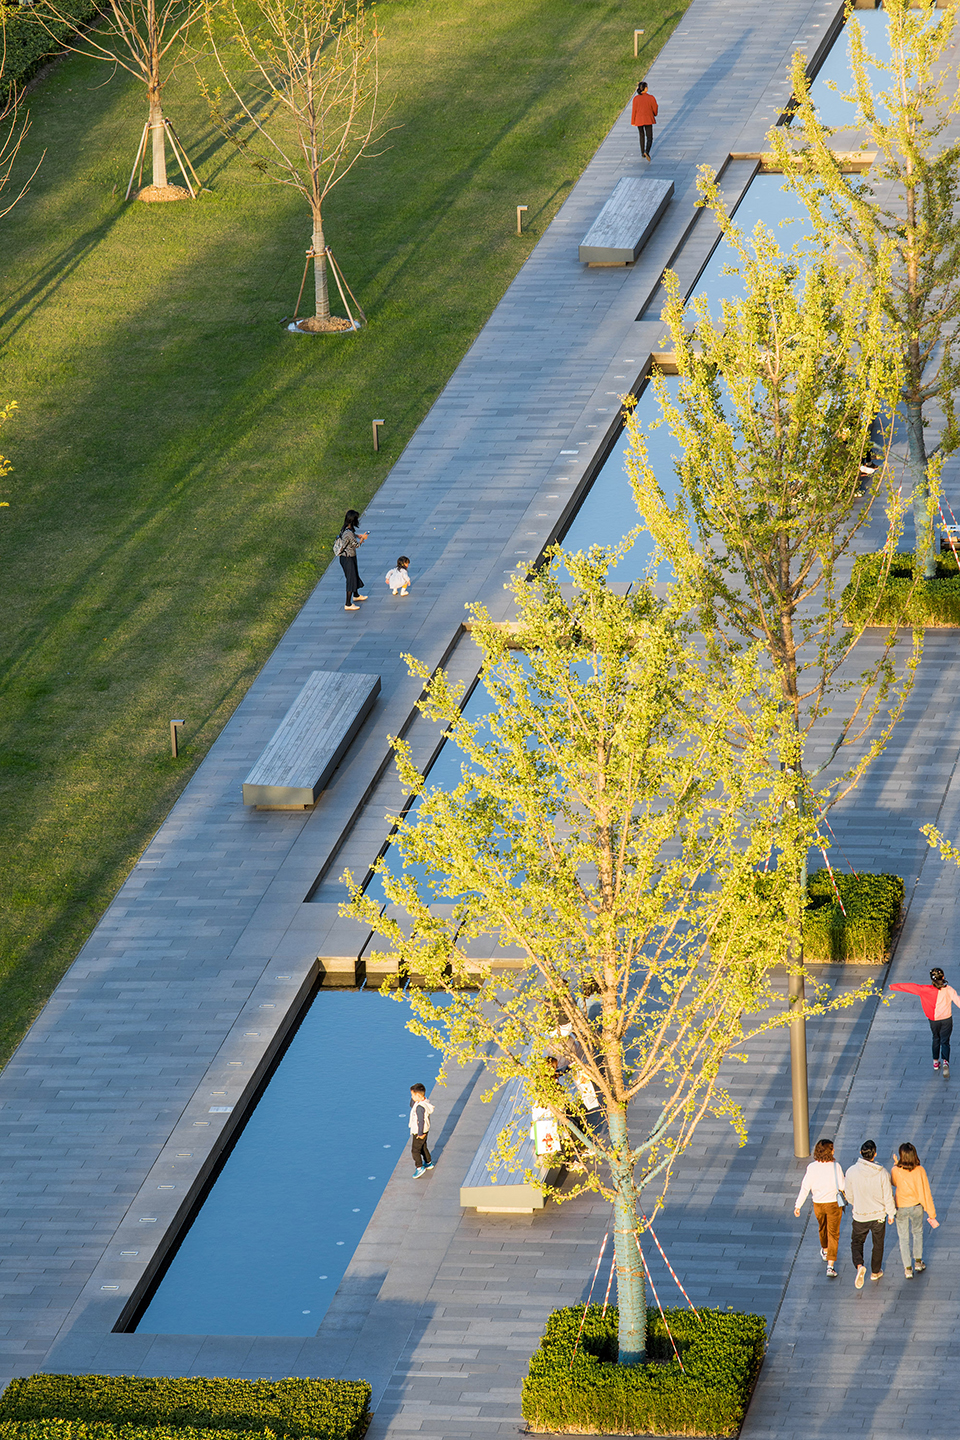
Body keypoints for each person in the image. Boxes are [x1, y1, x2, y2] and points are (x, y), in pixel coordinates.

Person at [890, 967, 960, 1077]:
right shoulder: (949, 989)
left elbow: (910, 987)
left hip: (933, 1020)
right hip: (947, 1019)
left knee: (936, 1038)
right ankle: (946, 1061)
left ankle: (936, 1062)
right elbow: (958, 1001)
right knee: (945, 1041)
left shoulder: (924, 989)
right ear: (942, 977)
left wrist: (892, 986)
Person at [844, 1139, 895, 1288]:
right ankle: (875, 1271)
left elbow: (849, 1194)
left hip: (860, 1215)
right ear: (875, 1154)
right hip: (878, 1215)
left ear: (861, 1153)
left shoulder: (851, 1171)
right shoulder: (882, 1173)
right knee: (878, 1243)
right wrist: (891, 1213)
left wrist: (856, 1204)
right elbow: (888, 1195)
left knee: (857, 1242)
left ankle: (860, 1265)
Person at [794, 1137, 846, 1279]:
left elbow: (805, 1188)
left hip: (818, 1204)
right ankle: (830, 1266)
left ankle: (824, 1249)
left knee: (822, 1228)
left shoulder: (811, 1168)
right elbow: (842, 1187)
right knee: (833, 1234)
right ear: (830, 1151)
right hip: (834, 1204)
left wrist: (798, 1205)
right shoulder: (836, 1167)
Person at [891, 1142, 939, 1278]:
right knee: (917, 1233)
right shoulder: (920, 1170)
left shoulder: (896, 1170)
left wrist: (895, 1165)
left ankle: (907, 1268)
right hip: (917, 1206)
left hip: (901, 1207)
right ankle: (918, 1261)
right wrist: (931, 1213)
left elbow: (894, 1182)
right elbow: (926, 1192)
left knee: (903, 1238)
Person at [337, 510, 368, 611]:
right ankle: (348, 604)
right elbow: (357, 545)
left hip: (348, 557)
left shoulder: (345, 528)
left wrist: (358, 535)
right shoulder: (348, 532)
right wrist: (363, 538)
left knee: (354, 575)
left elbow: (349, 537)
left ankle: (356, 594)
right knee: (351, 579)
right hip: (348, 558)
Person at [409, 1082, 435, 1178]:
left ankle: (419, 1167)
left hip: (419, 1131)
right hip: (424, 1130)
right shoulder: (422, 1103)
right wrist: (413, 1099)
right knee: (423, 1146)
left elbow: (421, 1120)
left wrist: (420, 1133)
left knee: (415, 1150)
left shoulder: (420, 1107)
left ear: (418, 1095)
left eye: (412, 1095)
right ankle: (428, 1162)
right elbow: (411, 1105)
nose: (411, 1097)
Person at [630, 81, 658, 161]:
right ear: (645, 88)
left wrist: (633, 121)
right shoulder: (651, 98)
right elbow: (655, 108)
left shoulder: (636, 99)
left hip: (639, 120)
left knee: (641, 135)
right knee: (649, 137)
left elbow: (634, 110)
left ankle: (642, 152)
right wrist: (654, 114)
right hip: (648, 119)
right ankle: (647, 151)